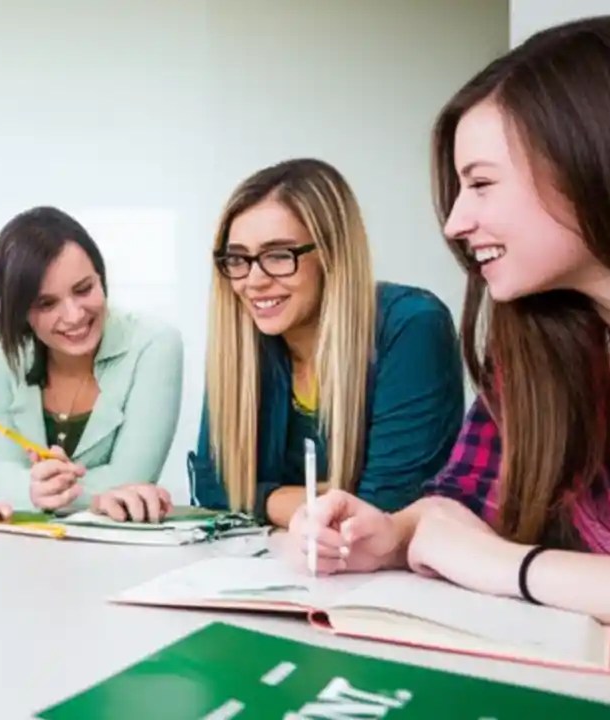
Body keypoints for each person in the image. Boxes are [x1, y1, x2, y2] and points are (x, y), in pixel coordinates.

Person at [288, 15, 610, 645]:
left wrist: (511, 567)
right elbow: (463, 501)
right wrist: (390, 535)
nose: (455, 223)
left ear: (600, 164)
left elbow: (484, 552)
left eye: (482, 184)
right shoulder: (544, 350)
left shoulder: (410, 323)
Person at [182, 158, 464, 527]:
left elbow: (385, 507)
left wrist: (259, 497)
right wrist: (320, 501)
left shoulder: (412, 325)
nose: (253, 280)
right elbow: (210, 485)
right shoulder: (245, 342)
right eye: (237, 259)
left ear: (332, 253)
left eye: (278, 255)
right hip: (282, 557)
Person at [0, 206, 183, 521]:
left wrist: (37, 492)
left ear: (101, 277)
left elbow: (133, 477)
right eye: (46, 303)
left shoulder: (155, 344)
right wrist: (35, 490)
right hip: (24, 544)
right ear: (21, 312)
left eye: (84, 289)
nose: (73, 316)